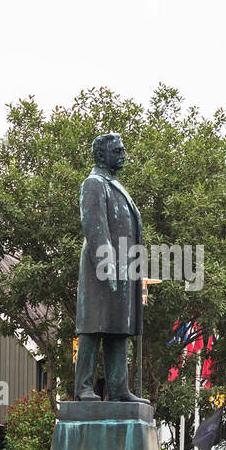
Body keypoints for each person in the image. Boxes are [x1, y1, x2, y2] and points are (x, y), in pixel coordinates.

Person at [76, 132, 147, 404]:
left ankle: (119, 389)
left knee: (119, 327)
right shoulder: (94, 184)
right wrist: (108, 268)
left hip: (125, 268)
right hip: (101, 269)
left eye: (122, 149)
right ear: (102, 154)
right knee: (93, 326)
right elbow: (95, 228)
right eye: (117, 150)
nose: (123, 154)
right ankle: (83, 387)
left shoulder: (114, 184)